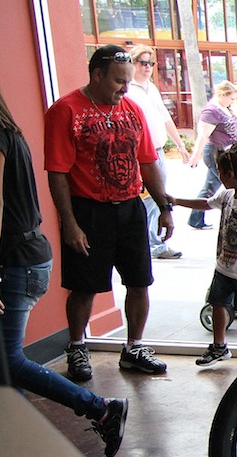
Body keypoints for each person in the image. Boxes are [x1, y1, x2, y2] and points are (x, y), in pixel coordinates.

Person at [0, 43, 128, 457]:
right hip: (25, 258)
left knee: (6, 361)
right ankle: (21, 443)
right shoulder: (2, 127)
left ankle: (103, 409)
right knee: (2, 366)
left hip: (16, 263)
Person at [44, 44, 174, 381]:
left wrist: (164, 206)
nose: (124, 88)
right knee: (85, 287)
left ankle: (133, 348)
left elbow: (148, 162)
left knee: (140, 282)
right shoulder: (65, 111)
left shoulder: (132, 109)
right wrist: (69, 223)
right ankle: (77, 346)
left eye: (128, 81)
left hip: (130, 207)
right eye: (118, 81)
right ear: (97, 75)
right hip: (88, 211)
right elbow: (57, 173)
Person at [168, 144, 237, 365]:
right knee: (217, 303)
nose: (218, 175)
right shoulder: (227, 195)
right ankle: (219, 346)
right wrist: (176, 201)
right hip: (224, 267)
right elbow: (206, 204)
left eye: (219, 171)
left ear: (230, 174)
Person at [126, 45, 187, 259]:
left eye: (151, 63)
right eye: (143, 63)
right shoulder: (128, 91)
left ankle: (152, 242)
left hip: (158, 150)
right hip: (141, 154)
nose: (147, 67)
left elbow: (165, 117)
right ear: (132, 63)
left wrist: (180, 144)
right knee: (150, 198)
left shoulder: (150, 87)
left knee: (157, 198)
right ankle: (153, 244)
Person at [186, 80, 237, 229]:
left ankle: (196, 218)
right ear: (222, 94)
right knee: (232, 185)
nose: (232, 102)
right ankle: (236, 217)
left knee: (209, 188)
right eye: (231, 98)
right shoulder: (211, 111)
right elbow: (203, 135)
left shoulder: (224, 108)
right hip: (216, 152)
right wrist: (196, 156)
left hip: (226, 151)